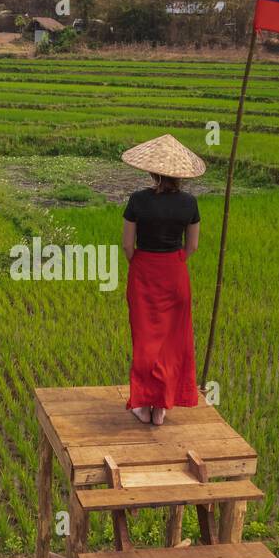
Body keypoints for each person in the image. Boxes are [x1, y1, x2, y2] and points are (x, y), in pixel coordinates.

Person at [119, 135, 206, 425]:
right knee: (172, 343)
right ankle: (161, 408)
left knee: (145, 340)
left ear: (152, 170)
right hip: (175, 273)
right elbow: (191, 246)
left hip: (144, 271)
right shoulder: (190, 203)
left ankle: (143, 406)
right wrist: (172, 264)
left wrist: (142, 266)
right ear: (180, 173)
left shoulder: (137, 200)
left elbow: (127, 245)